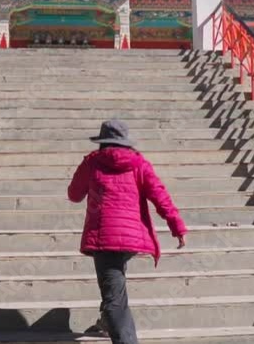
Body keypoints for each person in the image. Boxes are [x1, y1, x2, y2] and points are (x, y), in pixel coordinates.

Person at [67, 120, 188, 344]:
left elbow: (74, 194)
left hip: (105, 239)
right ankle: (105, 322)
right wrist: (177, 226)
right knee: (114, 284)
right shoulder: (139, 163)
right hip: (131, 238)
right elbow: (160, 196)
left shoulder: (92, 162)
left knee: (114, 297)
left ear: (102, 142)